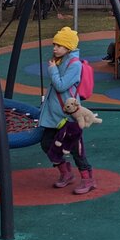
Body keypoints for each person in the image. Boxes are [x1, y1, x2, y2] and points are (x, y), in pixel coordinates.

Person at [38, 26, 97, 194]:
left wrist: (52, 70)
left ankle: (88, 178)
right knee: (46, 143)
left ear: (69, 47)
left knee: (75, 148)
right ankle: (65, 172)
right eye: (55, 45)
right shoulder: (60, 61)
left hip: (69, 115)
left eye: (60, 45)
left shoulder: (74, 64)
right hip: (54, 114)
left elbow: (61, 85)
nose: (55, 48)